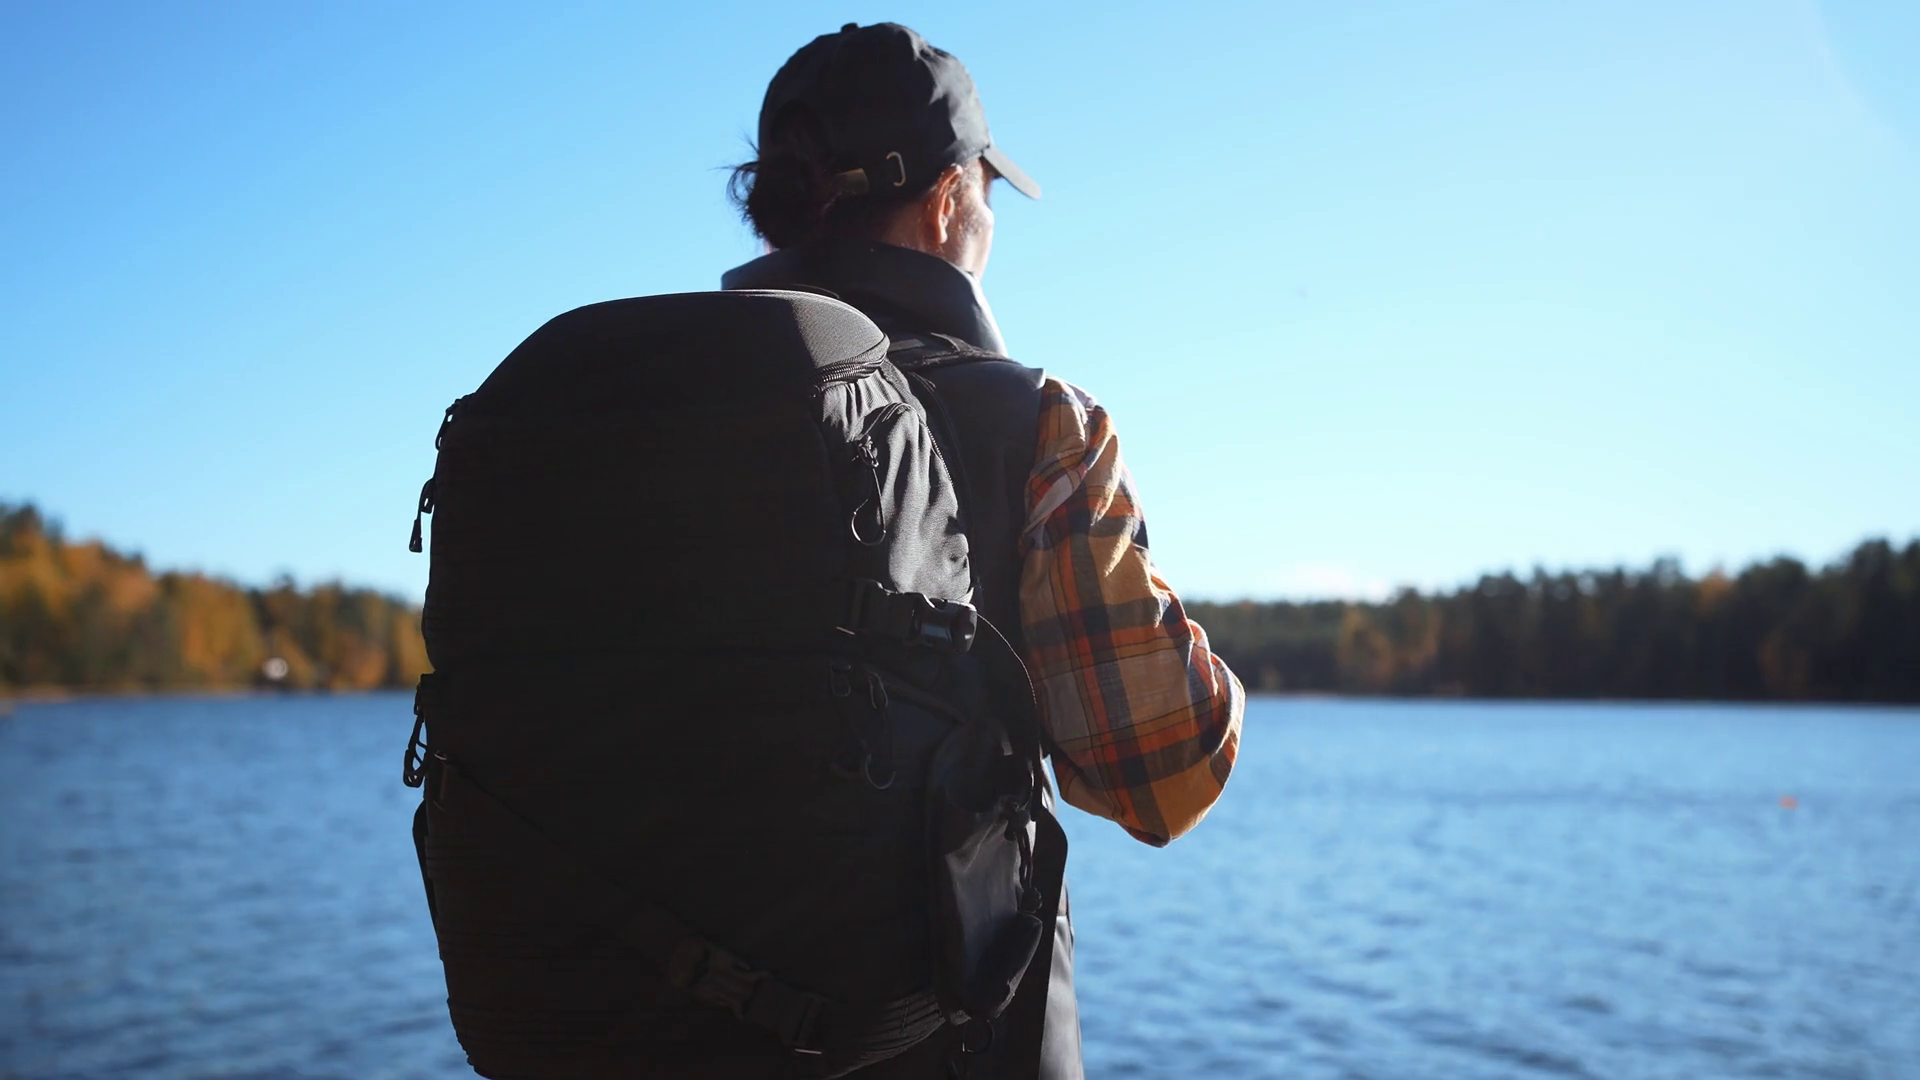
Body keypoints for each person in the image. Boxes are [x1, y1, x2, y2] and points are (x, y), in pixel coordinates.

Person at [720, 22, 1246, 1079]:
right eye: (989, 196)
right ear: (950, 201)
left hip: (673, 1031)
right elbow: (1164, 772)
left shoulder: (666, 414)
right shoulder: (1037, 425)